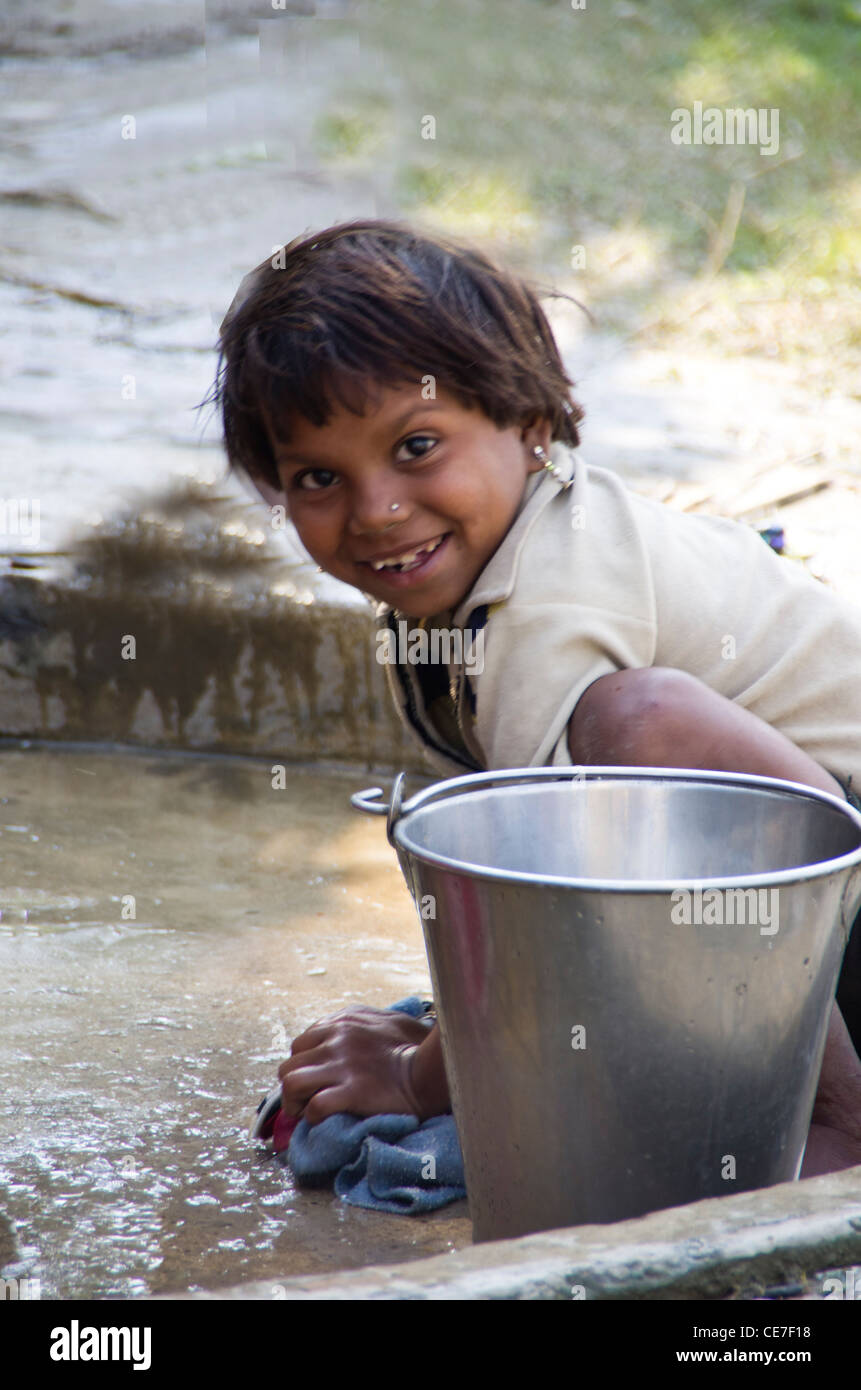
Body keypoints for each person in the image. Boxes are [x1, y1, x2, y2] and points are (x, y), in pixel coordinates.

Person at [207, 217, 861, 1178]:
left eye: (418, 445)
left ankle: (840, 1122)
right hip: (800, 911)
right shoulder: (454, 591)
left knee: (636, 724)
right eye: (317, 477)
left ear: (531, 424)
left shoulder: (543, 600)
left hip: (835, 904)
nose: (376, 509)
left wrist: (427, 1076)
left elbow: (548, 904)